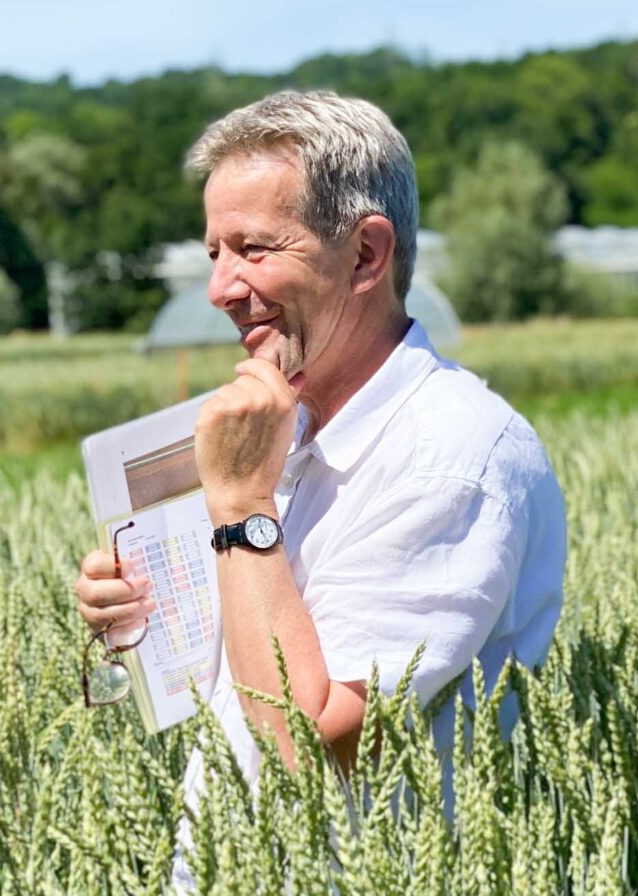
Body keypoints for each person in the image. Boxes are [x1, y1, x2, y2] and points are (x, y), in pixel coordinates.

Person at [72, 91, 566, 865]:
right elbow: (245, 663)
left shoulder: (451, 459)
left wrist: (238, 508)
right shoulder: (282, 428)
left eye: (255, 248)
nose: (220, 288)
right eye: (214, 253)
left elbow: (307, 747)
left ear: (367, 255)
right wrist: (138, 621)